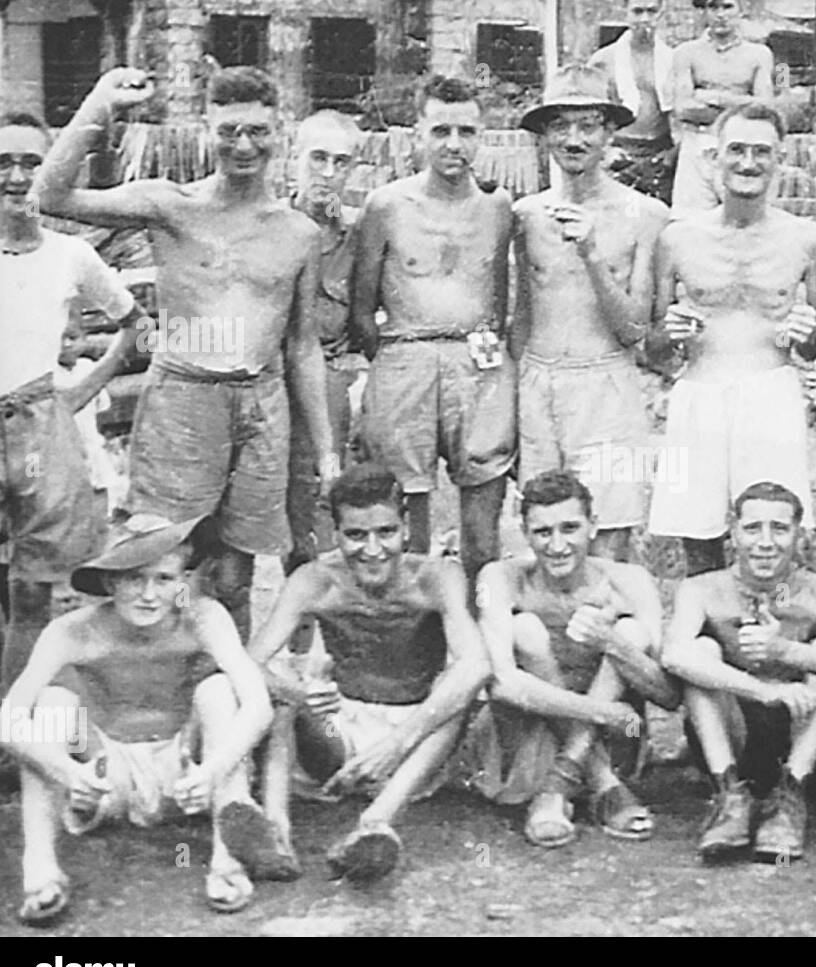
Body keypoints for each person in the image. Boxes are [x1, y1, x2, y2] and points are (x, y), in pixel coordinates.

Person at [35, 67, 337, 640]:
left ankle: (222, 690)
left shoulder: (298, 232)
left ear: (280, 132)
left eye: (257, 130)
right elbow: (51, 194)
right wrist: (100, 101)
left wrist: (325, 453)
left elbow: (301, 346)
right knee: (160, 559)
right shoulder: (170, 205)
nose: (243, 145)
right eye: (229, 131)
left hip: (260, 407)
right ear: (208, 129)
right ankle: (161, 690)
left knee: (234, 576)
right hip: (184, 401)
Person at [0, 514, 280, 923]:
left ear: (182, 582)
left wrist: (211, 770)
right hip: (106, 773)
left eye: (164, 579)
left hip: (184, 772)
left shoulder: (202, 617)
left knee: (217, 692)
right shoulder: (74, 630)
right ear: (109, 583)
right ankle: (40, 868)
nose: (149, 595)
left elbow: (259, 705)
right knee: (53, 702)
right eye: (133, 579)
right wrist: (69, 772)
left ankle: (227, 860)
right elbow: (5, 723)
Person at [248, 462, 491, 882]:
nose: (373, 549)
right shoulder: (315, 580)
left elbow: (477, 664)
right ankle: (275, 829)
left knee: (457, 687)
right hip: (336, 736)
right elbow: (250, 662)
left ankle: (375, 822)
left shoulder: (437, 577)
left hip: (416, 743)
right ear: (336, 534)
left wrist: (399, 742)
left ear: (407, 529)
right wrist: (302, 696)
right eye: (356, 535)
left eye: (386, 532)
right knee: (283, 693)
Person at [0, 111, 142, 692]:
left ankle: (19, 730)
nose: (19, 176)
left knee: (35, 594)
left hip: (41, 430)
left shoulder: (71, 256)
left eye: (32, 162)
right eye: (3, 163)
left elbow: (139, 327)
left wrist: (85, 389)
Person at [351, 76, 514, 587]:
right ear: (416, 133)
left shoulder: (498, 208)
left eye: (467, 131)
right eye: (440, 129)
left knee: (483, 534)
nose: (454, 144)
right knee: (406, 524)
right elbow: (362, 311)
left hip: (479, 364)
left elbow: (501, 298)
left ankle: (483, 642)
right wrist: (404, 358)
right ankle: (415, 647)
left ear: (482, 135)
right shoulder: (386, 206)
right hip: (406, 357)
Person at [647, 102, 816, 577]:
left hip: (771, 392)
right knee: (698, 535)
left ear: (779, 159)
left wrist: (809, 334)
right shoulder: (678, 239)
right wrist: (671, 333)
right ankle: (708, 632)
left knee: (775, 530)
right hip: (700, 394)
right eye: (737, 150)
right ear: (713, 157)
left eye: (761, 152)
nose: (748, 163)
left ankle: (771, 638)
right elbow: (655, 348)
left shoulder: (804, 237)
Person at [661, 481, 816, 862]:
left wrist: (787, 650)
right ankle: (729, 796)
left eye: (779, 529)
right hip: (737, 741)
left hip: (808, 743)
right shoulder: (700, 589)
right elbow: (674, 656)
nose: (765, 542)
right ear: (733, 532)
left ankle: (790, 797)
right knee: (700, 651)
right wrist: (763, 691)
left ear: (798, 534)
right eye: (753, 528)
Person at [513, 64, 669, 562]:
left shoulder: (645, 215)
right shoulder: (525, 215)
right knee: (543, 539)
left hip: (606, 385)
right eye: (561, 125)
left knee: (607, 542)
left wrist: (592, 252)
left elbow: (634, 330)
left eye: (587, 125)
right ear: (545, 134)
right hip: (539, 383)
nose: (574, 139)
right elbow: (518, 316)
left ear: (609, 131)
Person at [473, 470, 679, 847]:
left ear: (593, 526)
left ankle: (558, 786)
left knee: (631, 635)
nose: (557, 545)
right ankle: (601, 785)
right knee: (527, 632)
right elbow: (502, 684)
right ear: (525, 533)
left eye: (570, 528)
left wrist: (612, 643)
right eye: (542, 532)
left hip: (623, 735)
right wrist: (599, 712)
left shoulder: (629, 579)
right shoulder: (500, 578)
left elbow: (668, 695)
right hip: (527, 739)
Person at [284, 109, 365, 637]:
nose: (328, 173)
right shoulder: (266, 224)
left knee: (317, 523)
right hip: (264, 388)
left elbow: (364, 319)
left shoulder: (358, 236)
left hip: (329, 385)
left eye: (341, 162)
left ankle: (314, 657)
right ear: (294, 159)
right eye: (318, 158)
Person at [669, 0, 773, 216]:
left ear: (740, 10)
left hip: (743, 145)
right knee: (689, 222)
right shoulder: (685, 53)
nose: (720, 15)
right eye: (713, 8)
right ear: (704, 12)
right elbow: (683, 109)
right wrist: (744, 101)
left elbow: (766, 106)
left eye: (727, 7)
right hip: (697, 144)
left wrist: (713, 96)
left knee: (748, 218)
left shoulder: (761, 54)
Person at [589, 0, 677, 205]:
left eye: (651, 11)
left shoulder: (674, 59)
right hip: (618, 154)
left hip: (660, 154)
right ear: (625, 13)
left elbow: (680, 114)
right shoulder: (603, 60)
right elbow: (591, 115)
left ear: (661, 13)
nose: (644, 18)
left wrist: (672, 153)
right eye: (638, 11)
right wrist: (606, 150)